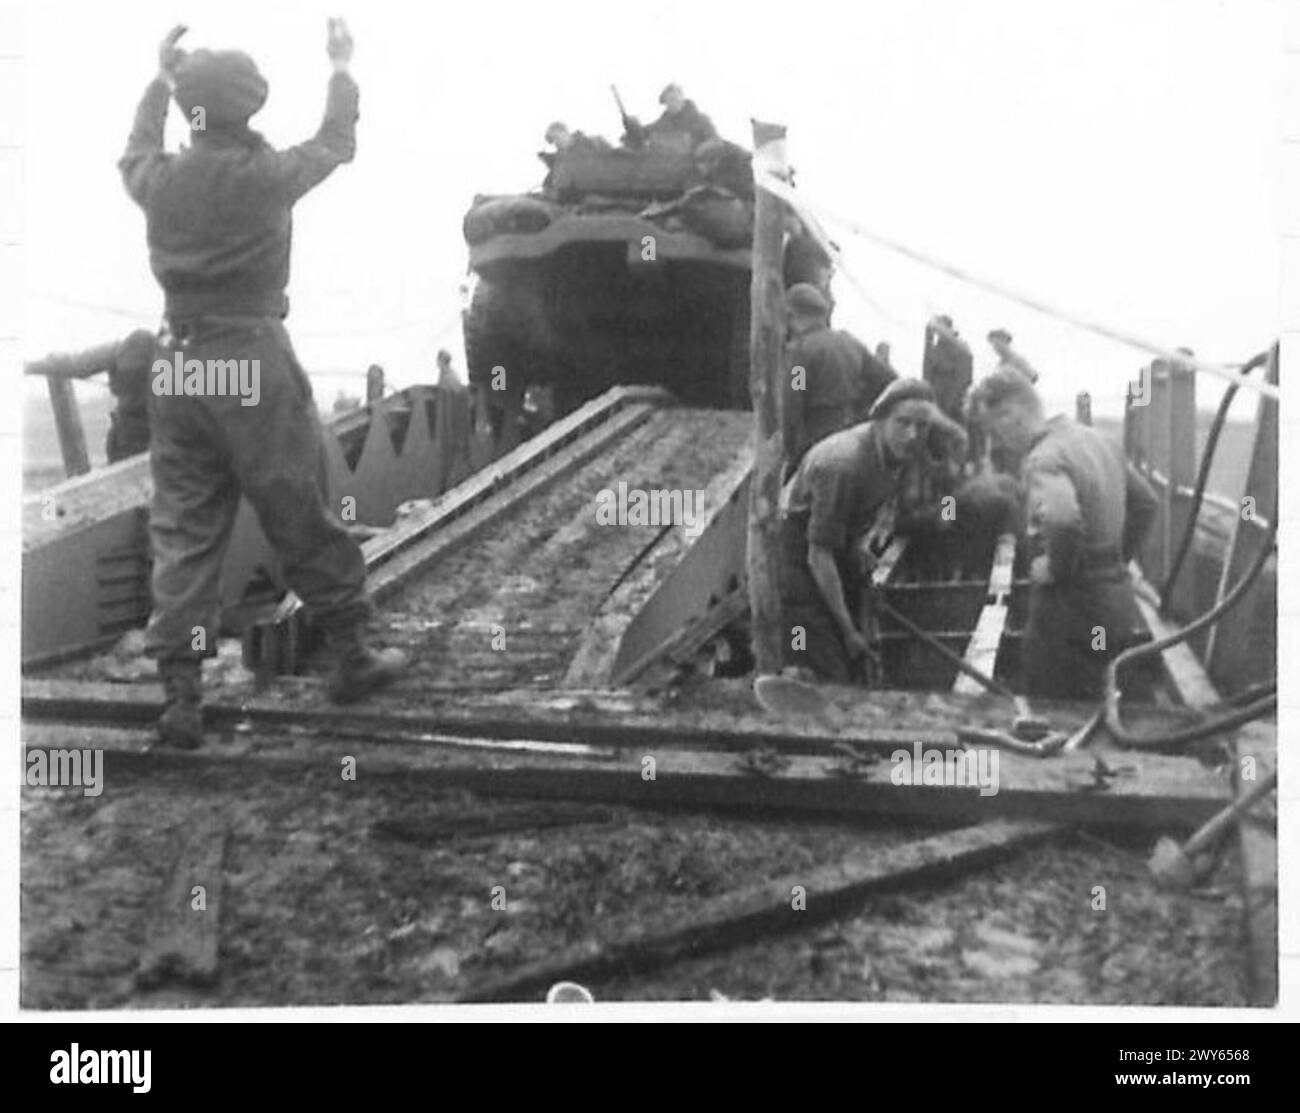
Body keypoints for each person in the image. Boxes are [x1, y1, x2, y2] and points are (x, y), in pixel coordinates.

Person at [119, 20, 406, 749]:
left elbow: (135, 152)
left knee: (183, 529)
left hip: (179, 360)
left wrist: (159, 81)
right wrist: (341, 64)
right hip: (247, 357)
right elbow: (336, 140)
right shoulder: (265, 175)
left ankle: (181, 699)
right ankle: (353, 654)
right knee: (295, 506)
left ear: (191, 110)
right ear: (248, 106)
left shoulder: (161, 181)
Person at [968, 369, 1158, 700]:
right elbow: (1145, 503)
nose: (994, 442)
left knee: (1052, 706)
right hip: (1115, 605)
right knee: (1110, 697)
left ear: (1011, 414)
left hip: (1069, 611)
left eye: (991, 430)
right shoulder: (1099, 441)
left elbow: (1062, 520)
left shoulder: (1043, 458)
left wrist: (1057, 568)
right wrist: (1114, 562)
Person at [779, 379, 949, 684]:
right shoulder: (841, 465)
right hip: (797, 555)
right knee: (824, 661)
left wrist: (858, 545)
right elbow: (818, 555)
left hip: (835, 544)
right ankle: (798, 672)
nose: (912, 435)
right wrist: (849, 632)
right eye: (902, 422)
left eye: (921, 426)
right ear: (879, 419)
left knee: (858, 644)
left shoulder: (898, 454)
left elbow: (861, 510)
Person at [782, 283, 895, 477]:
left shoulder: (800, 352)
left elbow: (793, 400)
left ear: (793, 315)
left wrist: (791, 450)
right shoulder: (849, 342)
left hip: (815, 438)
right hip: (852, 434)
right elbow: (888, 380)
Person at [26, 329, 157, 462]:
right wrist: (30, 366)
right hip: (127, 438)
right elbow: (76, 363)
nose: (131, 395)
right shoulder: (116, 352)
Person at [623, 83, 717, 152]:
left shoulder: (700, 121)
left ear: (682, 99)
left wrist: (702, 151)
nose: (672, 103)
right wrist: (633, 126)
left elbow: (714, 141)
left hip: (692, 174)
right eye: (669, 100)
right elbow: (640, 135)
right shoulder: (660, 125)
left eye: (674, 99)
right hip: (663, 173)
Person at [921, 315, 973, 424]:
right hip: (934, 399)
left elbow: (965, 378)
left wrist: (952, 401)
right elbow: (926, 372)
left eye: (940, 327)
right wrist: (928, 338)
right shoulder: (936, 349)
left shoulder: (960, 348)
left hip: (952, 401)